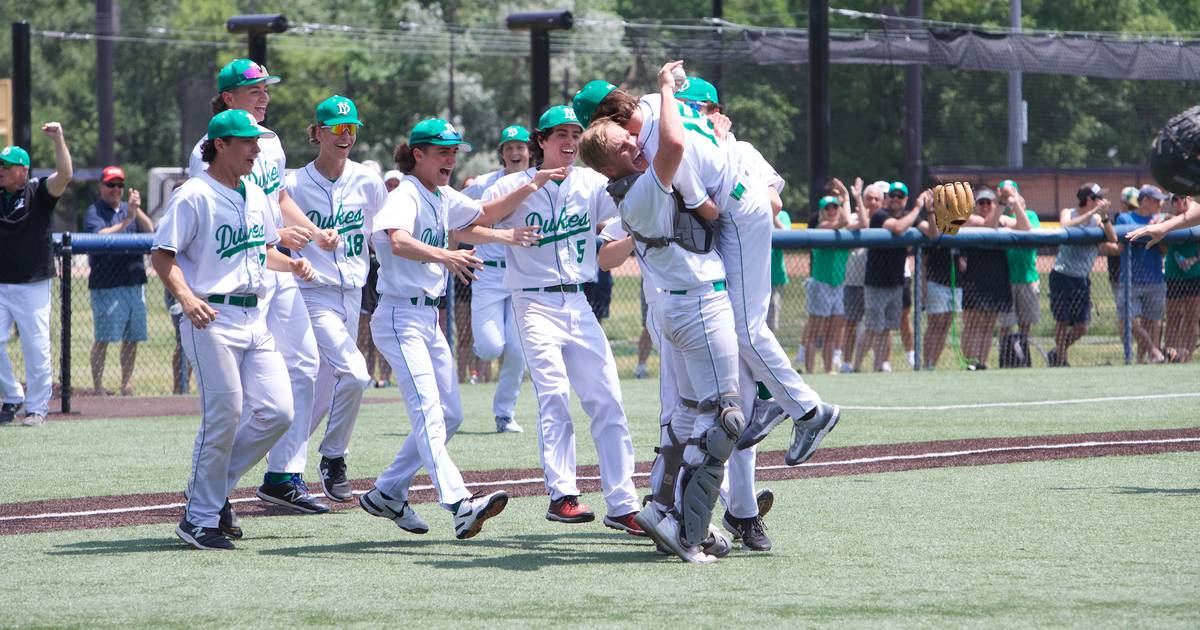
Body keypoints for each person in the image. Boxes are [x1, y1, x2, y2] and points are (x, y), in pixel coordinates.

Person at [578, 61, 742, 563]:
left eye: (628, 138)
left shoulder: (632, 187)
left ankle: (663, 508)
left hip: (678, 306)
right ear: (607, 167)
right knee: (726, 420)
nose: (633, 144)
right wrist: (666, 89)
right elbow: (672, 143)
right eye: (621, 146)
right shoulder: (642, 187)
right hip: (698, 304)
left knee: (687, 416)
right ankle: (688, 532)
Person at [359, 118, 548, 539]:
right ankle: (460, 504)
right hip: (399, 317)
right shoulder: (406, 192)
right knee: (429, 413)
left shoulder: (441, 194)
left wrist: (530, 186)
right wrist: (447, 255)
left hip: (427, 319)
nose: (451, 158)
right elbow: (396, 240)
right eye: (442, 151)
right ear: (418, 154)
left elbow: (484, 214)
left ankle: (387, 491)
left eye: (454, 152)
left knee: (450, 415)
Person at [153, 109, 316, 550]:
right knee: (225, 415)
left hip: (255, 317)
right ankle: (199, 519)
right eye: (246, 141)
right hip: (211, 317)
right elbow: (163, 255)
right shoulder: (193, 195)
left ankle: (208, 488)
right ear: (220, 145)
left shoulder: (256, 193)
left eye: (256, 141)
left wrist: (291, 264)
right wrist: (186, 298)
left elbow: (262, 252)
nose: (255, 149)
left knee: (278, 413)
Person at [483, 105, 644, 535]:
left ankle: (623, 504)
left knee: (608, 398)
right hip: (532, 303)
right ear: (541, 141)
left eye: (575, 133)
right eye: (560, 134)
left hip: (577, 302)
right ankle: (562, 495)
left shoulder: (590, 182)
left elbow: (621, 214)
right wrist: (530, 185)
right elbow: (477, 221)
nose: (570, 141)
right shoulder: (512, 184)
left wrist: (630, 230)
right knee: (554, 394)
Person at [189, 58, 335, 515]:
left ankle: (283, 475)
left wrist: (313, 231)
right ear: (228, 97)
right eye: (254, 89)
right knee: (231, 401)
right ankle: (211, 485)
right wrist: (273, 237)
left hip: (277, 266)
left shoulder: (269, 141)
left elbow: (280, 197)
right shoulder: (209, 148)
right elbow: (216, 214)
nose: (264, 96)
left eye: (266, 89)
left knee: (305, 365)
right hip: (237, 273)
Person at [271, 95, 382, 506]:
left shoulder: (368, 181)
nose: (345, 135)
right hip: (312, 292)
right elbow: (268, 229)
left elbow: (383, 234)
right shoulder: (294, 184)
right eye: (336, 128)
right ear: (318, 132)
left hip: (352, 293)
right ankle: (334, 457)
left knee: (323, 388)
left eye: (351, 128)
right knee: (354, 373)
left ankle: (281, 471)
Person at [460, 124, 533, 433]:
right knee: (491, 348)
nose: (515, 152)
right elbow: (451, 208)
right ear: (501, 153)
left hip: (523, 274)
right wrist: (451, 250)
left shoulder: (538, 182)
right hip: (488, 273)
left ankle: (504, 414)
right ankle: (482, 346)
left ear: (530, 151)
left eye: (520, 147)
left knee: (517, 350)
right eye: (509, 147)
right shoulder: (483, 185)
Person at [0, 124, 72, 427]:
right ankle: (12, 395)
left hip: (32, 284)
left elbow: (65, 174)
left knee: (36, 347)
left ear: (23, 170)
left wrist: (58, 139)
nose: (1, 170)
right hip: (1, 283)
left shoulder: (38, 192)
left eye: (6, 166)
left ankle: (37, 407)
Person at [83, 165, 153, 396]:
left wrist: (136, 211)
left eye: (120, 185)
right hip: (106, 285)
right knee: (103, 338)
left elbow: (151, 231)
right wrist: (126, 221)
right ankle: (98, 387)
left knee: (132, 338)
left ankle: (126, 385)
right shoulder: (94, 211)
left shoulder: (129, 209)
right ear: (101, 186)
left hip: (134, 281)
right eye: (111, 184)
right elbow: (98, 237)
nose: (116, 189)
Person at [856, 182, 932, 372]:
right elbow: (897, 228)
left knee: (887, 329)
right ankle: (855, 367)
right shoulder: (880, 214)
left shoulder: (909, 216)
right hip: (876, 282)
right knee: (872, 327)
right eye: (892, 195)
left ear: (905, 199)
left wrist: (930, 210)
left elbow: (932, 232)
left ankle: (879, 367)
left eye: (900, 196)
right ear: (887, 198)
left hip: (896, 283)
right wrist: (917, 208)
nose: (896, 199)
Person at [1047, 183, 1118, 367]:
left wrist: (1104, 217)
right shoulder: (1068, 212)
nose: (1102, 200)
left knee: (1082, 327)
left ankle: (1057, 352)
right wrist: (1091, 213)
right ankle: (1061, 360)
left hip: (1082, 279)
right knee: (1062, 321)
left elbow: (1113, 238)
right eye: (1098, 197)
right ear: (1089, 199)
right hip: (1062, 275)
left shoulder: (1098, 218)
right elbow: (1065, 225)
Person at [803, 190, 864, 374]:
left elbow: (864, 223)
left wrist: (856, 197)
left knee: (832, 331)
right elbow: (844, 221)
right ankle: (810, 371)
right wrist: (844, 198)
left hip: (838, 285)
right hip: (820, 284)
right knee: (815, 331)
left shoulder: (843, 231)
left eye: (834, 207)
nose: (831, 211)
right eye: (827, 208)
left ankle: (829, 369)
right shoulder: (821, 227)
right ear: (822, 211)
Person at [1113, 185, 1170, 363]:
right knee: (1128, 319)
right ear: (1144, 200)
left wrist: (1159, 229)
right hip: (1131, 281)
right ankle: (1153, 351)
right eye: (1156, 200)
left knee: (1152, 322)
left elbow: (1164, 251)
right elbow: (1124, 242)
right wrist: (1149, 228)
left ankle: (1142, 360)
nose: (1160, 204)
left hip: (1155, 279)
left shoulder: (1159, 220)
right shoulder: (1125, 218)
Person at [958, 188, 1012, 370]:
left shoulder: (1001, 219)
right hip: (974, 278)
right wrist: (1002, 204)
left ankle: (981, 362)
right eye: (981, 202)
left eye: (989, 202)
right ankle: (969, 362)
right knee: (973, 322)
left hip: (997, 276)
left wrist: (1014, 203)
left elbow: (1025, 227)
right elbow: (988, 225)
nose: (985, 206)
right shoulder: (971, 219)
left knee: (989, 323)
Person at [996, 180, 1039, 368]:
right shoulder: (1000, 214)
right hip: (1005, 280)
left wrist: (1015, 202)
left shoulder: (1030, 215)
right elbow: (1003, 223)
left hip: (1027, 278)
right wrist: (1007, 206)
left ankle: (1022, 359)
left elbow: (1027, 228)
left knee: (1025, 324)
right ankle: (1005, 359)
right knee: (1006, 325)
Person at [1162, 195, 1200, 362]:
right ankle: (1170, 354)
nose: (1178, 202)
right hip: (1173, 275)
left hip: (1194, 275)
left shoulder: (1196, 217)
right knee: (1173, 317)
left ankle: (1187, 356)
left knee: (1192, 318)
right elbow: (1162, 245)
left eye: (1181, 198)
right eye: (1174, 199)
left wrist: (1194, 259)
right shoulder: (1168, 220)